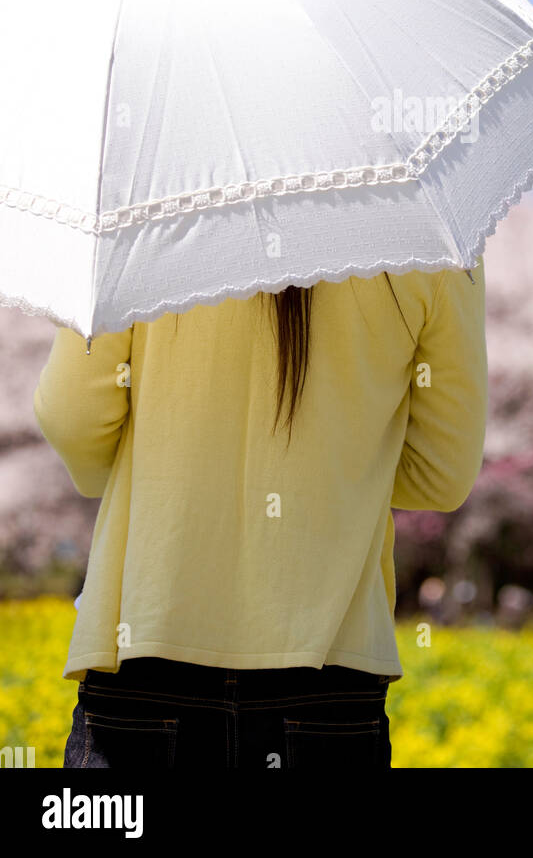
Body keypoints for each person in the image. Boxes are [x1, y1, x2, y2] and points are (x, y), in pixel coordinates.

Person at [32, 257, 488, 769]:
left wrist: (132, 478)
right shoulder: (427, 234)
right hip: (329, 672)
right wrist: (338, 480)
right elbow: (443, 471)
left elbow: (71, 414)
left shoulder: (143, 209)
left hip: (144, 651)